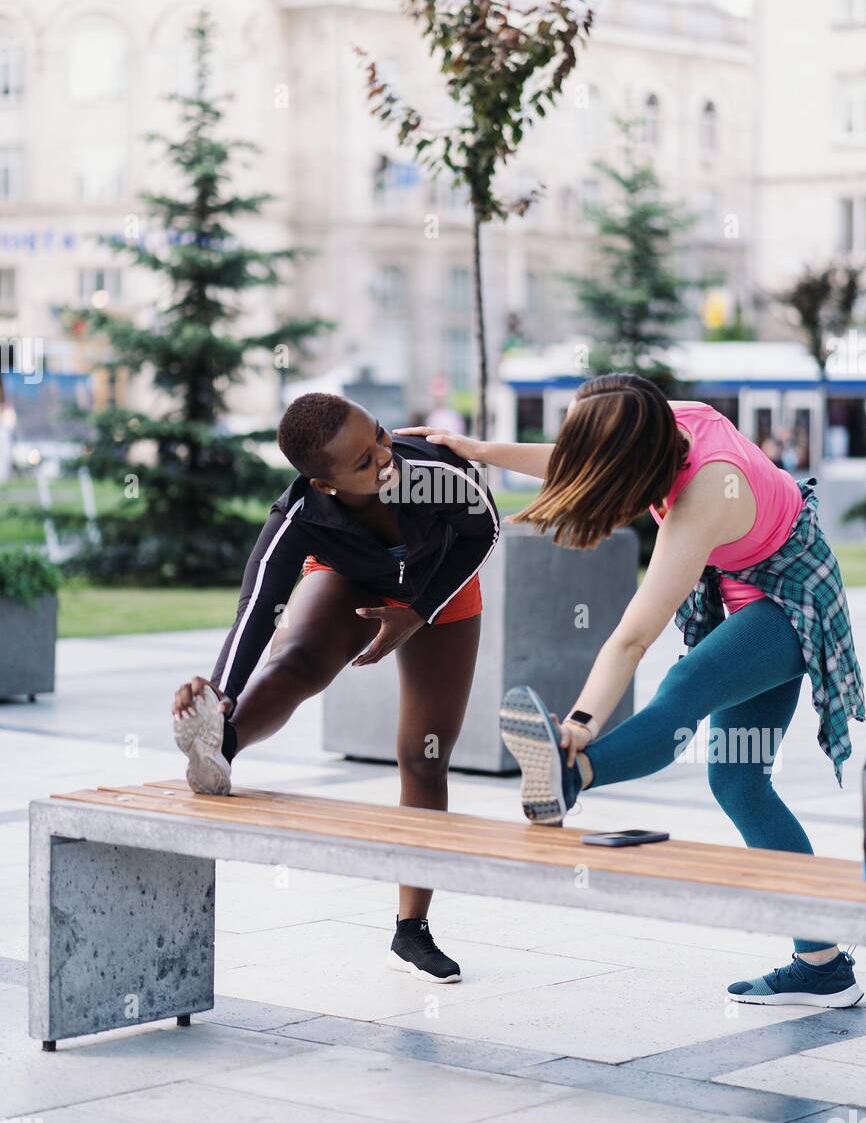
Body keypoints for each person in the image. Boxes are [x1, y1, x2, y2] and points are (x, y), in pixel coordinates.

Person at [396, 375, 866, 1009]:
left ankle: (574, 773)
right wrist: (479, 449)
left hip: (792, 596)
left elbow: (631, 637)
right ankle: (823, 963)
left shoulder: (703, 495)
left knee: (685, 686)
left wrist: (583, 725)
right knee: (739, 781)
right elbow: (575, 459)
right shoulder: (648, 419)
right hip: (744, 585)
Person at [172, 392, 499, 983]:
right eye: (365, 461)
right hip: (350, 577)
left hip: (441, 589)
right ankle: (222, 741)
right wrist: (218, 691)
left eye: (378, 434)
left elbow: (485, 532)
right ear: (325, 485)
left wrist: (419, 611)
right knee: (296, 660)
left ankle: (411, 931)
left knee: (423, 755)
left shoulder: (430, 475)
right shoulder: (302, 517)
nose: (385, 458)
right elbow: (257, 606)